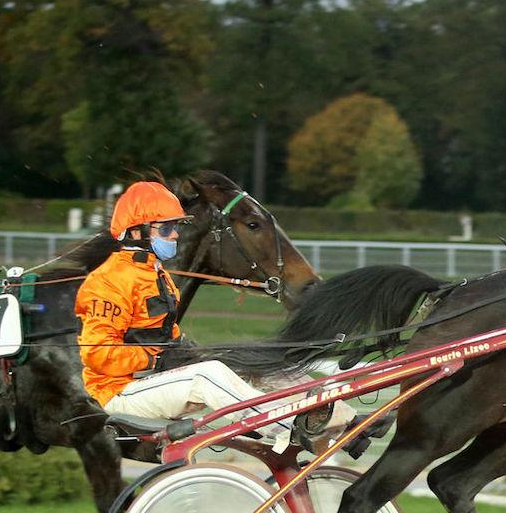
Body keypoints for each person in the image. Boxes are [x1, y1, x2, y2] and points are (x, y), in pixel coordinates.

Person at [74, 180, 352, 450]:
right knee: (208, 375)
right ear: (137, 232)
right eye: (167, 228)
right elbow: (96, 354)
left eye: (176, 227)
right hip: (120, 392)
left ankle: (342, 421)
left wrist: (185, 351)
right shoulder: (107, 282)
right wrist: (155, 356)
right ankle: (287, 427)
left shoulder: (156, 274)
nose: (175, 235)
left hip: (155, 381)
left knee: (248, 360)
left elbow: (165, 334)